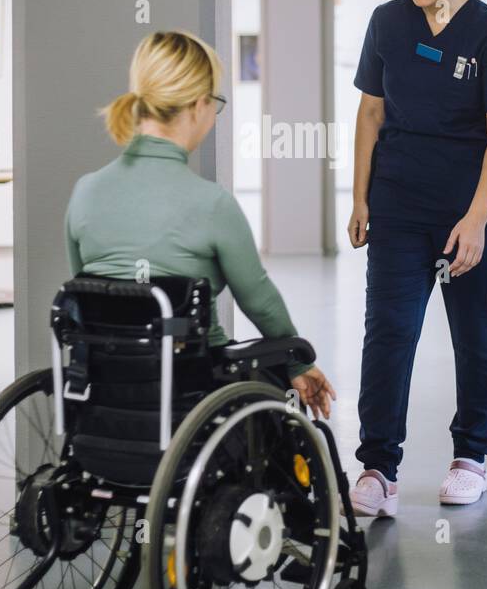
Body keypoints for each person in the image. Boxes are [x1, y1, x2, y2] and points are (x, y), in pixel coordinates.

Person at [347, 0, 487, 514]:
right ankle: (378, 467)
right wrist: (360, 197)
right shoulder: (386, 23)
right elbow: (370, 115)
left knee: (477, 335)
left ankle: (470, 457)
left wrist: (475, 219)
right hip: (398, 205)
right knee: (390, 331)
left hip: (472, 207)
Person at [64, 29, 335, 420]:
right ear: (198, 105)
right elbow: (259, 300)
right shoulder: (212, 205)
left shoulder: (84, 192)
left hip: (105, 395)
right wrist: (297, 361)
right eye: (216, 103)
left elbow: (91, 291)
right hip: (192, 392)